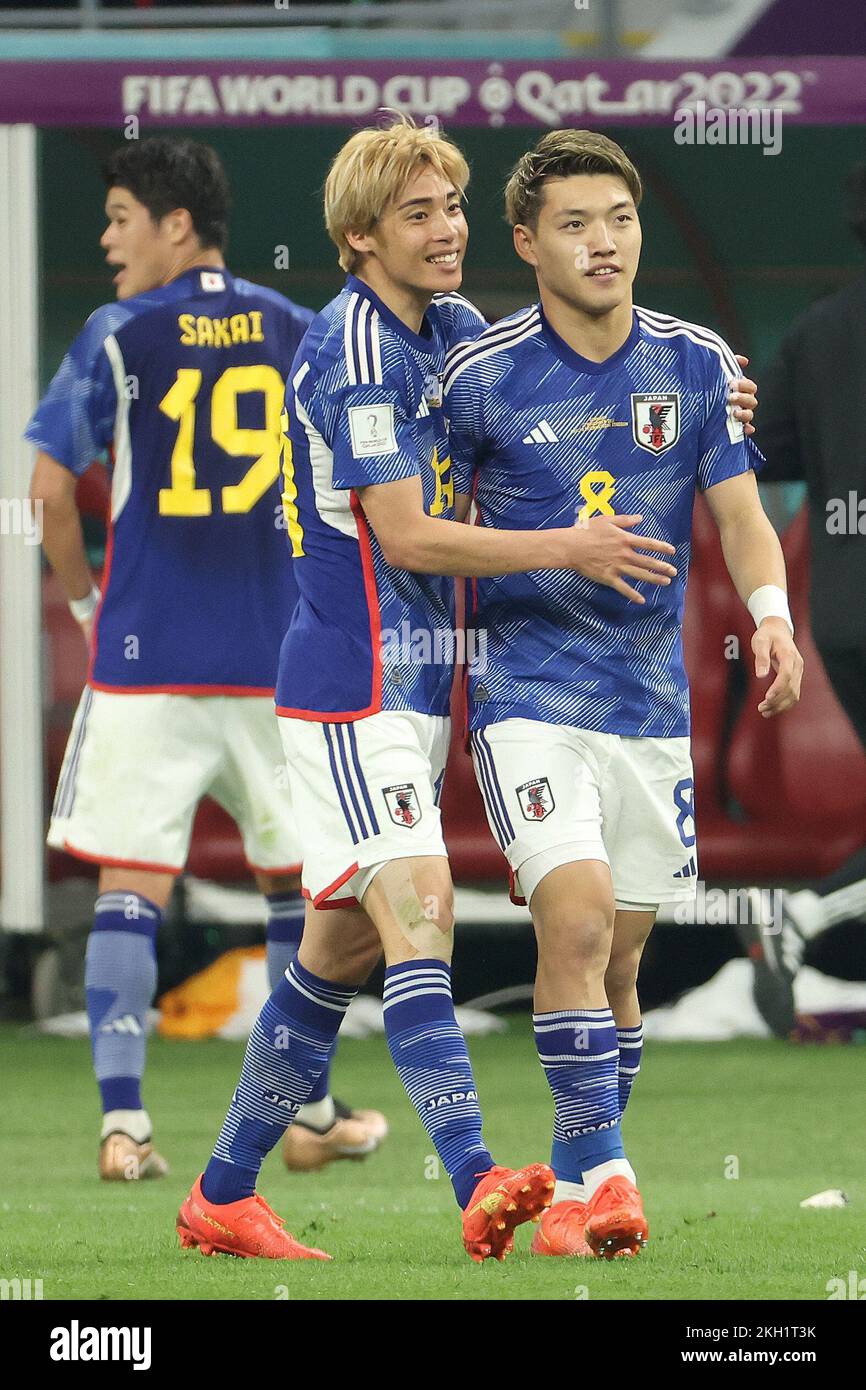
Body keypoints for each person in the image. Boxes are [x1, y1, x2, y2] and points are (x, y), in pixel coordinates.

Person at [176, 114, 694, 1264]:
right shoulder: (350, 349)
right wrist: (569, 545)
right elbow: (405, 537)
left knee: (338, 953)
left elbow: (558, 394)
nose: (448, 229)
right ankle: (474, 1178)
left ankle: (220, 1191)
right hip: (350, 686)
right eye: (417, 213)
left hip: (419, 693)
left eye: (453, 207)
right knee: (422, 909)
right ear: (359, 238)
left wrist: (706, 402)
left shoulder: (455, 331)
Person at [442, 129, 802, 1258]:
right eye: (574, 225)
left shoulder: (694, 364)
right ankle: (601, 1176)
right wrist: (554, 551)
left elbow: (740, 517)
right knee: (579, 915)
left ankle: (575, 1184)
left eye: (620, 220)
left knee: (622, 961)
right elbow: (420, 533)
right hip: (526, 698)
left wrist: (773, 617)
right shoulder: (480, 376)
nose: (603, 244)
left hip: (648, 711)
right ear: (526, 242)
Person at [26, 137, 385, 1183]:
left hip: (148, 663)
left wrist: (88, 599)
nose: (107, 240)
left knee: (128, 889)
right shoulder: (299, 328)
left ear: (175, 225)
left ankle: (126, 1125)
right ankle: (305, 1110)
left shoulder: (118, 332)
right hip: (281, 666)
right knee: (301, 890)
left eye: (120, 216)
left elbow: (48, 489)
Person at [735, 163, 866, 1035]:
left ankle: (804, 919)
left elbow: (762, 453)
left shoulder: (822, 331)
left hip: (850, 618)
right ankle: (805, 916)